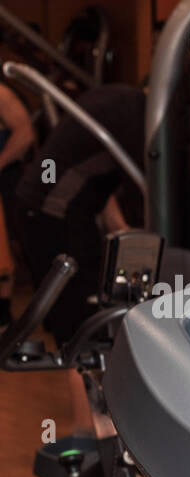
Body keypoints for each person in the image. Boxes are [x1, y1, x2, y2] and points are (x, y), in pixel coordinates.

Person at [13, 83, 143, 344]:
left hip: (47, 212)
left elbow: (86, 170)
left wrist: (119, 227)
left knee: (82, 321)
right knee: (82, 331)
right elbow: (148, 195)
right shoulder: (134, 120)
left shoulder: (118, 98)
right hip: (52, 217)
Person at [0, 83, 35, 326]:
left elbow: (25, 134)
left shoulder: (1, 94)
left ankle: (2, 313)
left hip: (5, 177)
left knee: (3, 251)